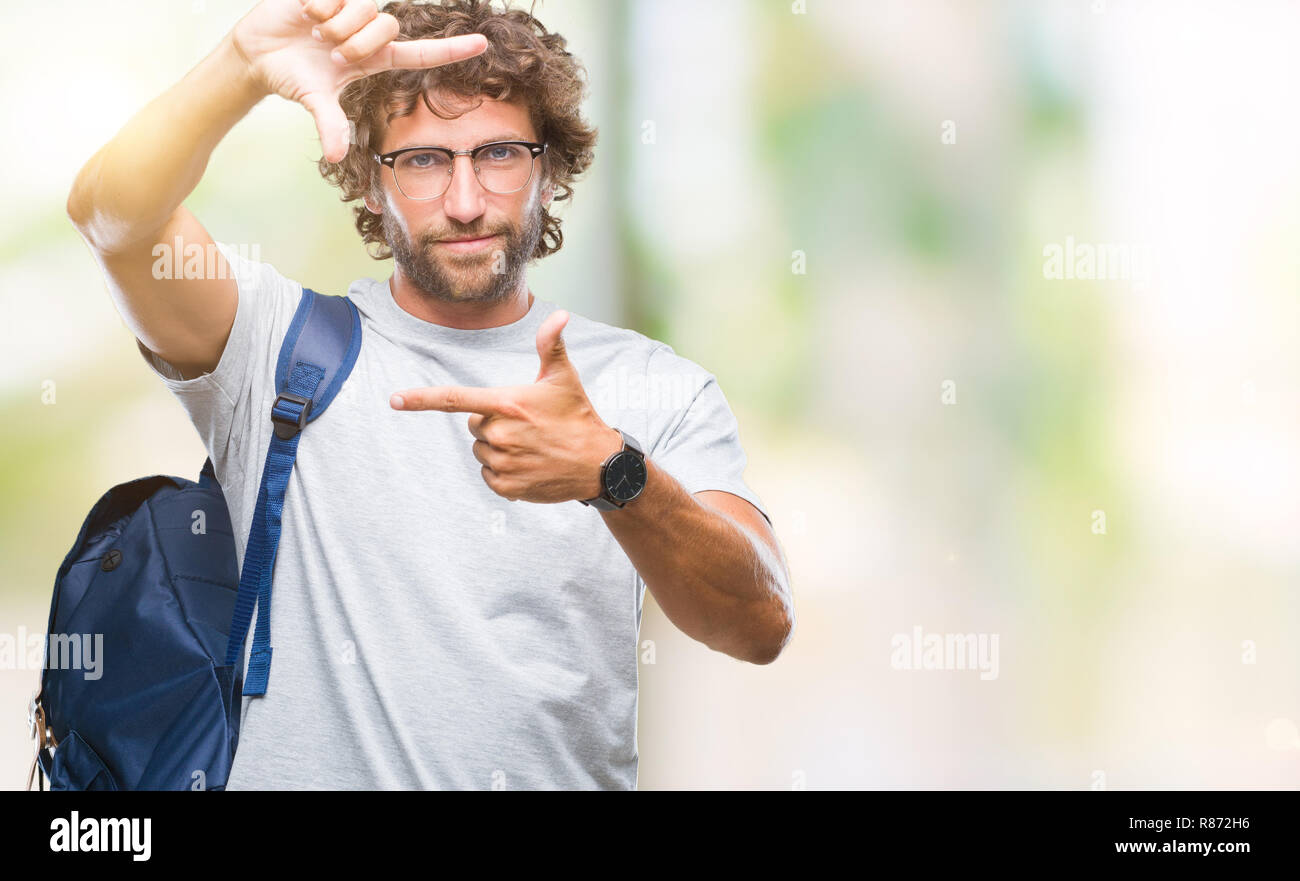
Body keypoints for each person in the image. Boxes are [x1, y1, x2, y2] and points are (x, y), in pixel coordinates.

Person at [66, 0, 793, 790]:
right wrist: (238, 68)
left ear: (547, 170)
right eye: (422, 161)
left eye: (500, 153)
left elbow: (758, 625)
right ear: (371, 184)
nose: (466, 200)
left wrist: (617, 475)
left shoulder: (653, 386)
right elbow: (113, 219)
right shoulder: (272, 346)